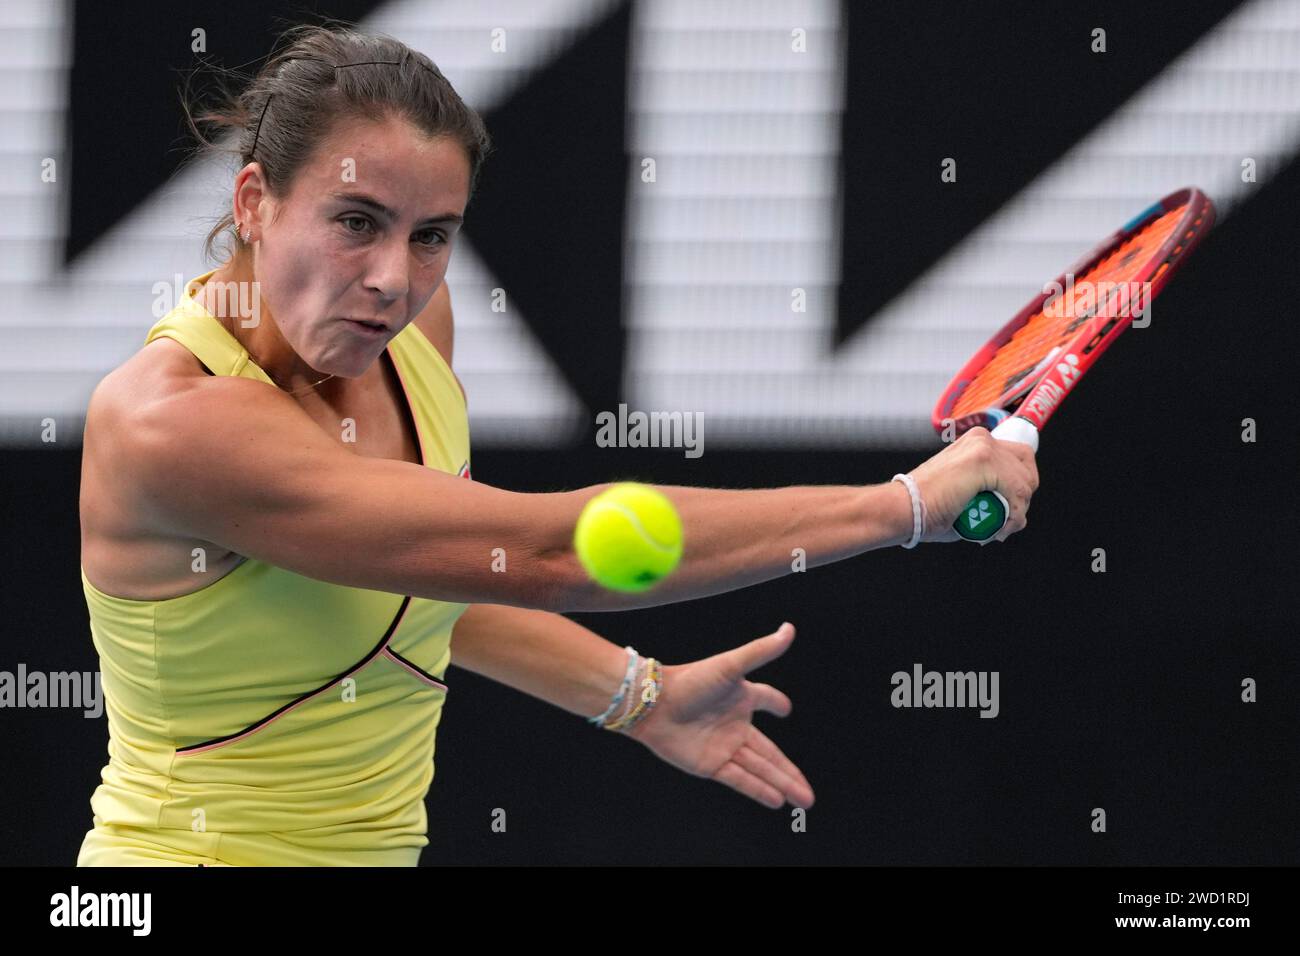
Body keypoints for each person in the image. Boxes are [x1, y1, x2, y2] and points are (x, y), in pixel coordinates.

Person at [76, 24, 1038, 866]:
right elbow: (543, 552)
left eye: (430, 236)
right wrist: (903, 506)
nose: (390, 279)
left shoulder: (412, 333)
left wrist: (638, 696)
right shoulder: (176, 423)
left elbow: (430, 578)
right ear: (254, 201)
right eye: (356, 223)